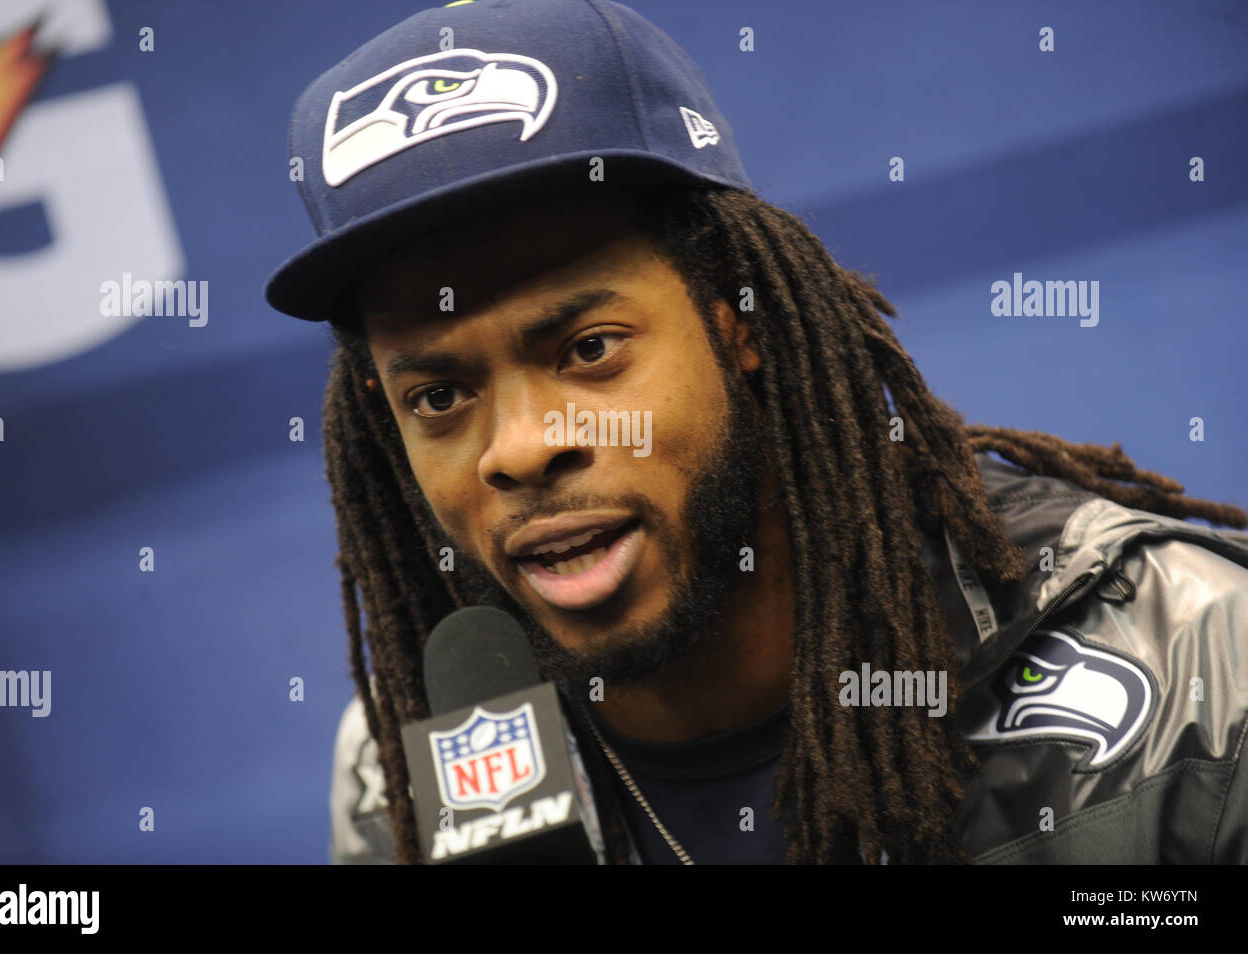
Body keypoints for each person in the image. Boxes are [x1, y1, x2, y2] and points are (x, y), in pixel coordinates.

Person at [265, 0, 1248, 864]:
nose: (520, 446)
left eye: (589, 347)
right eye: (437, 397)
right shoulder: (410, 758)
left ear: (740, 324)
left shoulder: (1189, 673)